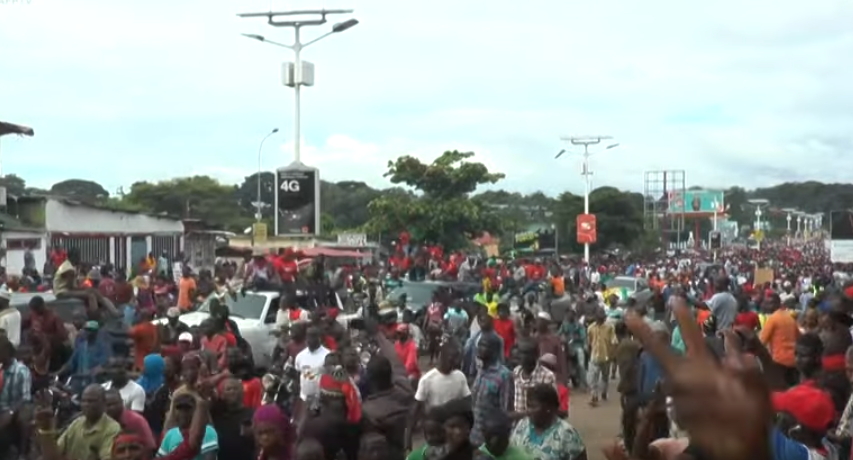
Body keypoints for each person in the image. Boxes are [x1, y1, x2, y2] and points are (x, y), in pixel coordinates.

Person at [407, 342, 470, 451]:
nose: (455, 363)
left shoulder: (460, 377)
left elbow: (468, 401)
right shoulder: (427, 380)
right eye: (451, 359)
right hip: (435, 431)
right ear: (441, 356)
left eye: (457, 359)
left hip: (454, 430)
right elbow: (416, 409)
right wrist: (408, 437)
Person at [510, 384, 587, 460]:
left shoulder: (566, 434)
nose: (528, 411)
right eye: (528, 406)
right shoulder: (523, 425)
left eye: (534, 407)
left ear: (549, 408)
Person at [54, 384, 122, 460]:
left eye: (91, 401)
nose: (86, 404)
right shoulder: (77, 423)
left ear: (103, 403)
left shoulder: (112, 428)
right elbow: (56, 450)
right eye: (83, 401)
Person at [470, 333, 512, 446]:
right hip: (473, 435)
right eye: (479, 345)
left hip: (489, 440)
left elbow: (505, 410)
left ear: (494, 350)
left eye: (484, 345)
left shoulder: (503, 375)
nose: (479, 348)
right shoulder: (480, 370)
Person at [57, 320, 112, 393]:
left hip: (94, 383)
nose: (87, 332)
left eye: (90, 330)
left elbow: (104, 364)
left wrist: (96, 371)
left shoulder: (102, 347)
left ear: (95, 333)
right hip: (78, 381)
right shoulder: (81, 347)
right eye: (85, 330)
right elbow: (70, 364)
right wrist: (57, 373)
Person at [159, 392, 219, 460]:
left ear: (196, 411)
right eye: (179, 408)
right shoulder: (170, 434)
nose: (183, 412)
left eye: (187, 409)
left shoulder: (207, 431)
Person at [0, 337, 32, 458]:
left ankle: (22, 453)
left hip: (15, 408)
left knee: (24, 415)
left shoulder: (21, 370)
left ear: (6, 351)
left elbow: (25, 397)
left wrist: (11, 412)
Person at [760, 293, 800, 386]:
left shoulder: (772, 319)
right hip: (794, 361)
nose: (766, 306)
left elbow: (762, 341)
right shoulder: (790, 318)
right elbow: (799, 337)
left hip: (779, 361)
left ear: (777, 304)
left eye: (769, 303)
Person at [211, 378, 255, 460]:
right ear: (222, 395)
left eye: (235, 388)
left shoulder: (253, 415)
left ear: (242, 393)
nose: (232, 392)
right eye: (228, 389)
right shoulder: (216, 414)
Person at [511, 338, 556, 419]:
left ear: (536, 355)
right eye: (521, 353)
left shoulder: (547, 376)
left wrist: (522, 415)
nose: (524, 357)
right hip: (518, 423)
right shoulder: (516, 372)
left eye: (527, 353)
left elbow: (551, 407)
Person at [105, 387, 156, 454]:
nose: (111, 408)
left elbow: (150, 447)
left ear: (122, 402)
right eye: (107, 405)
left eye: (114, 404)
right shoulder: (102, 422)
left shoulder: (136, 420)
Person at [587, 310, 616, 406]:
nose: (601, 320)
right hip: (594, 356)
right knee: (593, 378)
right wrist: (590, 353)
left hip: (606, 356)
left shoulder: (609, 327)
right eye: (599, 318)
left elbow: (613, 341)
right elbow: (589, 342)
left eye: (602, 318)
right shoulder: (591, 328)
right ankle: (594, 396)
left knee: (605, 377)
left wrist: (612, 354)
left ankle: (604, 392)